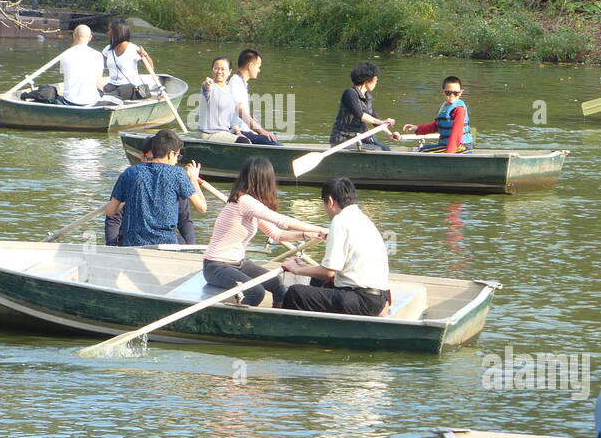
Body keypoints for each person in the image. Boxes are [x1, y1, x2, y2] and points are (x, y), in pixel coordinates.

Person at [201, 158, 327, 307]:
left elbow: (277, 234)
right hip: (216, 266)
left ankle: (279, 318)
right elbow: (283, 221)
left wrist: (306, 234)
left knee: (277, 284)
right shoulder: (245, 201)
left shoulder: (250, 205)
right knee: (256, 292)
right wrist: (320, 229)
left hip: (240, 263)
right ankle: (237, 324)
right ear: (264, 180)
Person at [279, 178, 390, 316]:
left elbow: (329, 272)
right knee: (317, 280)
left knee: (295, 293)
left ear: (330, 201)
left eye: (324, 204)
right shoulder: (362, 218)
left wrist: (296, 269)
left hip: (362, 300)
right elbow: (333, 272)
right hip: (378, 297)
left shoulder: (340, 221)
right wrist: (303, 267)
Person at [101, 129, 206, 248]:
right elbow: (202, 207)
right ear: (171, 154)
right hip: (166, 244)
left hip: (133, 245)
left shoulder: (129, 173)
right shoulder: (178, 174)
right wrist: (193, 179)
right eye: (177, 155)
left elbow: (110, 211)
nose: (177, 160)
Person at [330, 61, 400, 151]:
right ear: (367, 80)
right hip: (344, 139)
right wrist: (382, 122)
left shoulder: (368, 97)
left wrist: (390, 134)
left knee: (386, 149)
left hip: (361, 137)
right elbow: (360, 115)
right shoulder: (350, 93)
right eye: (375, 81)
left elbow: (374, 120)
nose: (376, 83)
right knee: (379, 150)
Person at [404, 76, 473, 153]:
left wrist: (449, 154)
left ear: (461, 92)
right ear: (443, 92)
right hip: (446, 144)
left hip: (461, 146)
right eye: (448, 93)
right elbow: (437, 126)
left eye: (456, 93)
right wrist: (417, 128)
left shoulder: (459, 109)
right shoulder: (446, 107)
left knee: (424, 151)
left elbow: (456, 134)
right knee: (424, 149)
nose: (452, 95)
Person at [228, 49, 278, 145]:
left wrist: (258, 131)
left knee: (272, 137)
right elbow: (240, 111)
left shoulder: (241, 83)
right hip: (239, 132)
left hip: (246, 130)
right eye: (258, 66)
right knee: (271, 142)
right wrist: (262, 132)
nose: (259, 70)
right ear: (250, 66)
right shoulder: (235, 82)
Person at [101, 18, 154, 102]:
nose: (108, 33)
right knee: (97, 95)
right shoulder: (108, 49)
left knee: (109, 98)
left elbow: (150, 68)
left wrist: (145, 55)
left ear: (117, 33)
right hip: (112, 84)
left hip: (131, 86)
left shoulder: (133, 49)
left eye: (110, 30)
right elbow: (98, 65)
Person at [199, 56, 246, 142]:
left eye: (223, 69)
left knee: (250, 139)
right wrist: (207, 84)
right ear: (212, 70)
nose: (219, 72)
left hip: (225, 133)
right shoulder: (209, 86)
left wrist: (239, 133)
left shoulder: (230, 90)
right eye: (216, 68)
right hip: (209, 134)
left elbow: (234, 119)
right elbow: (206, 87)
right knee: (243, 142)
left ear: (229, 71)